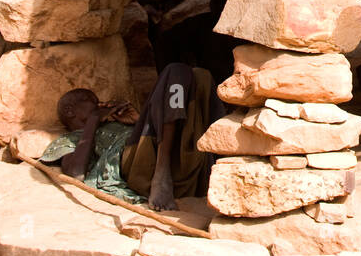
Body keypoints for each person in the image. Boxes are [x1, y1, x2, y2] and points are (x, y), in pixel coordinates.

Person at [41, 62, 226, 211]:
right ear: (69, 111)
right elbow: (76, 173)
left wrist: (139, 121)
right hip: (142, 169)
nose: (100, 104)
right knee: (173, 69)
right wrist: (94, 120)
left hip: (179, 159)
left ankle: (218, 163)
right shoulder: (68, 140)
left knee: (198, 76)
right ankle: (161, 173)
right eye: (91, 101)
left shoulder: (116, 122)